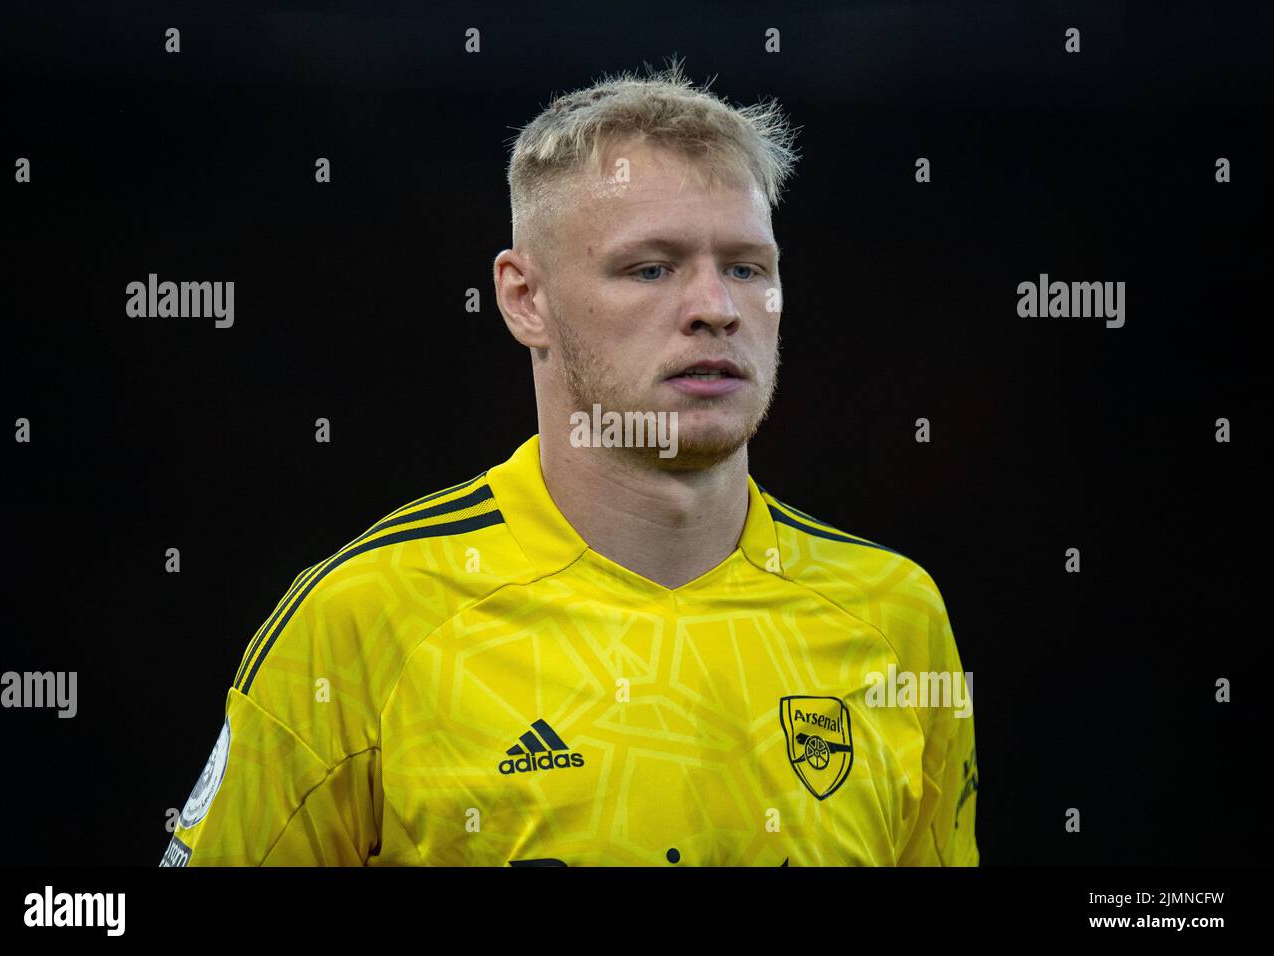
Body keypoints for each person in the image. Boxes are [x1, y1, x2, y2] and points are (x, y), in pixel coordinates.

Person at [161, 60, 978, 867]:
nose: (716, 309)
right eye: (650, 268)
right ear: (525, 299)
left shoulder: (895, 617)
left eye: (745, 268)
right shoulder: (366, 618)